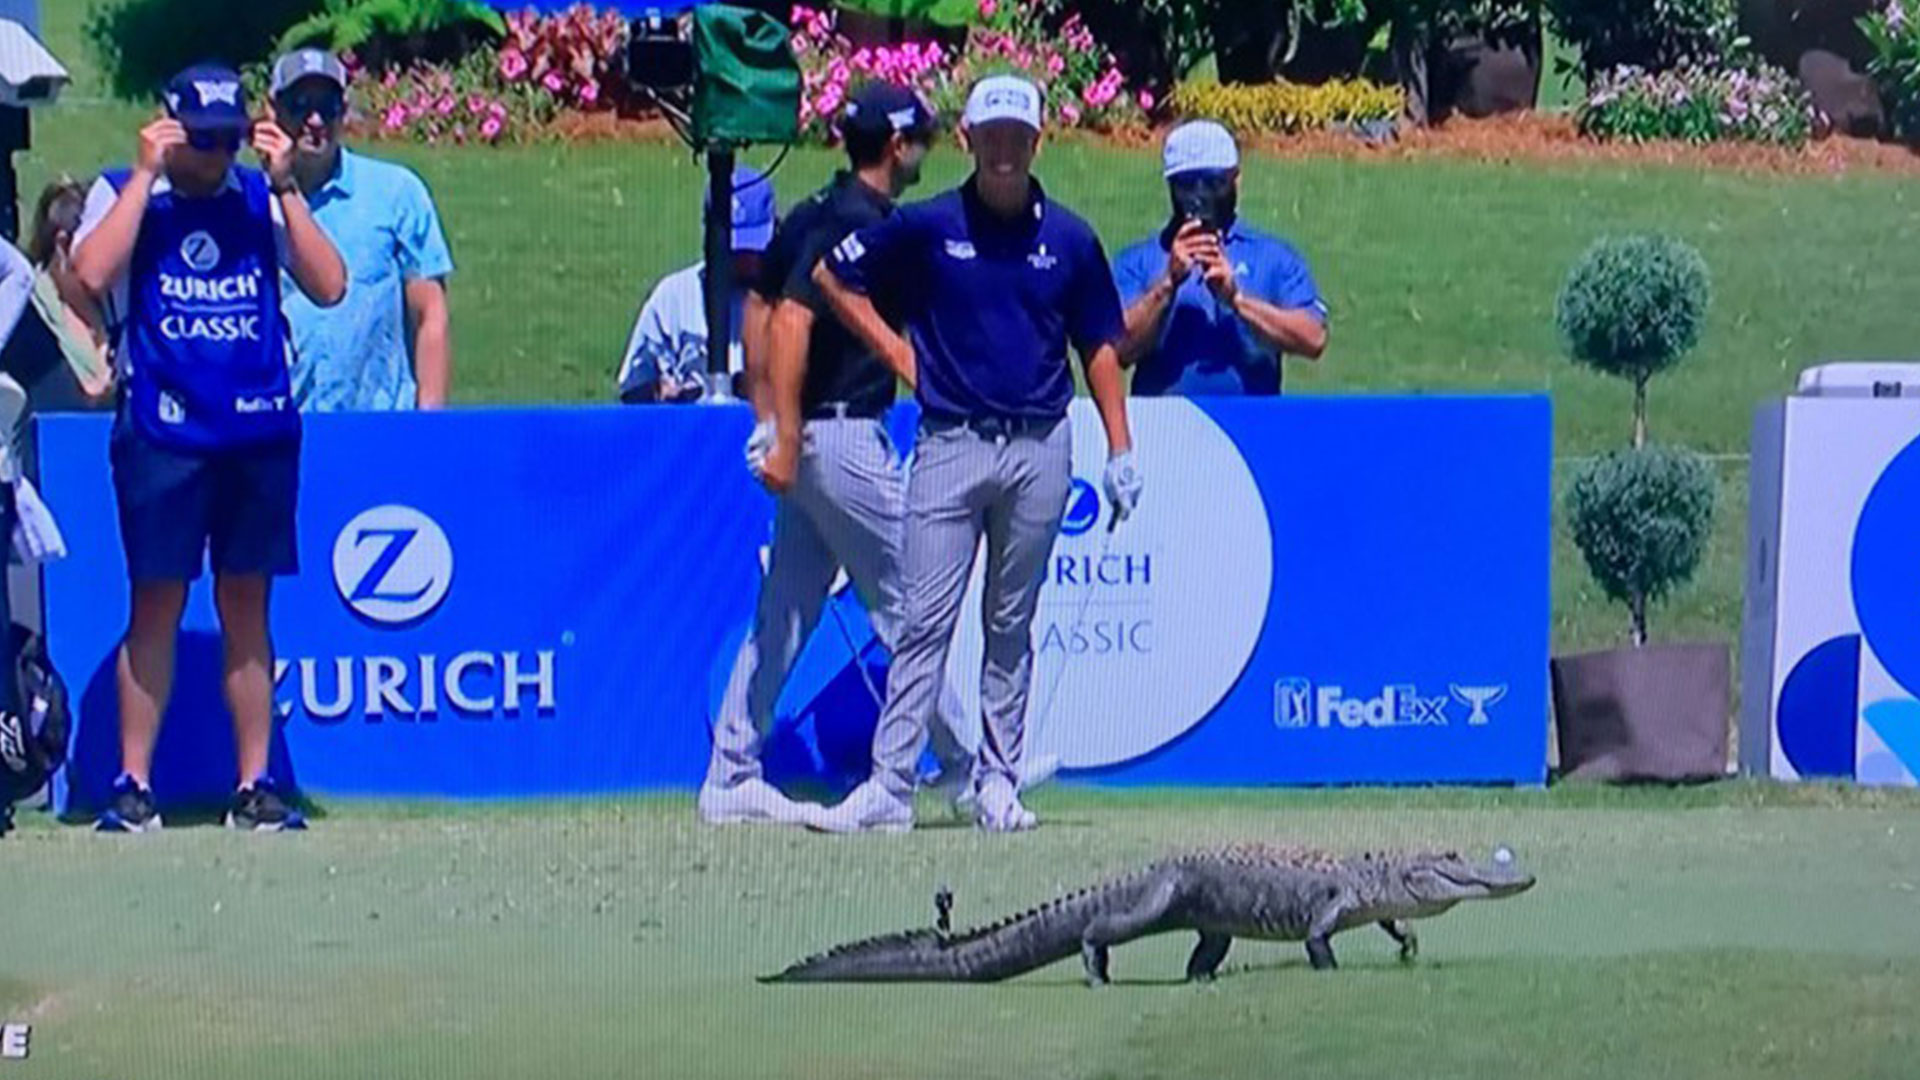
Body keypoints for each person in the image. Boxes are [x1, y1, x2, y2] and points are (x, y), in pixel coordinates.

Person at [705, 83, 1058, 826]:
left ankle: (730, 772)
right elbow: (794, 319)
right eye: (922, 138)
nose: (927, 151)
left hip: (809, 438)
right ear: (898, 147)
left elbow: (762, 310)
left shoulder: (812, 213)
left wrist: (770, 422)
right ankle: (968, 769)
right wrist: (792, 433)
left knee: (788, 612)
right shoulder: (871, 228)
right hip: (839, 440)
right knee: (912, 603)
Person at [810, 74, 1140, 834]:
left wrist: (1121, 447)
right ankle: (891, 786)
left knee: (1010, 623)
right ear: (968, 141)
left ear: (1035, 142)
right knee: (923, 618)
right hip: (951, 442)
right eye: (989, 136)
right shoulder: (928, 227)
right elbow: (835, 274)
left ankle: (998, 781)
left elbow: (1099, 343)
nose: (1002, 150)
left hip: (1039, 446)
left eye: (1015, 137)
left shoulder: (1069, 239)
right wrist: (900, 354)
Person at [69, 63, 348, 833]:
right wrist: (149, 172)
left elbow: (331, 286)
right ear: (168, 125)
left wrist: (286, 183)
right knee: (156, 602)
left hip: (255, 429)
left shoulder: (260, 196)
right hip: (162, 429)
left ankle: (255, 786)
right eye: (202, 139)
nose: (216, 156)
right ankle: (133, 784)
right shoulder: (125, 189)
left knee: (247, 605)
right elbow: (89, 272)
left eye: (228, 141)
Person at [269, 48, 455, 412]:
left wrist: (429, 426)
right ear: (272, 110)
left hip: (379, 425)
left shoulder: (396, 192)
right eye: (300, 104)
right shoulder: (248, 203)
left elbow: (430, 313)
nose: (315, 120)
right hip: (282, 430)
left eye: (328, 105)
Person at [1113, 120, 1329, 396]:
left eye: (1214, 182)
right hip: (1164, 428)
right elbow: (1117, 350)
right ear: (1170, 185)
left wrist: (1238, 301)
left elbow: (1313, 338)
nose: (1200, 195)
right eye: (1187, 184)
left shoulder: (1274, 257)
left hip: (1247, 429)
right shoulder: (1139, 261)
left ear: (1236, 178)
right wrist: (1167, 284)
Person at [617, 165, 776, 405]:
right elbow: (631, 392)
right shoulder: (673, 297)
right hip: (691, 435)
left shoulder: (790, 299)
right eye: (733, 250)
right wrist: (661, 393)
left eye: (750, 250)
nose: (742, 260)